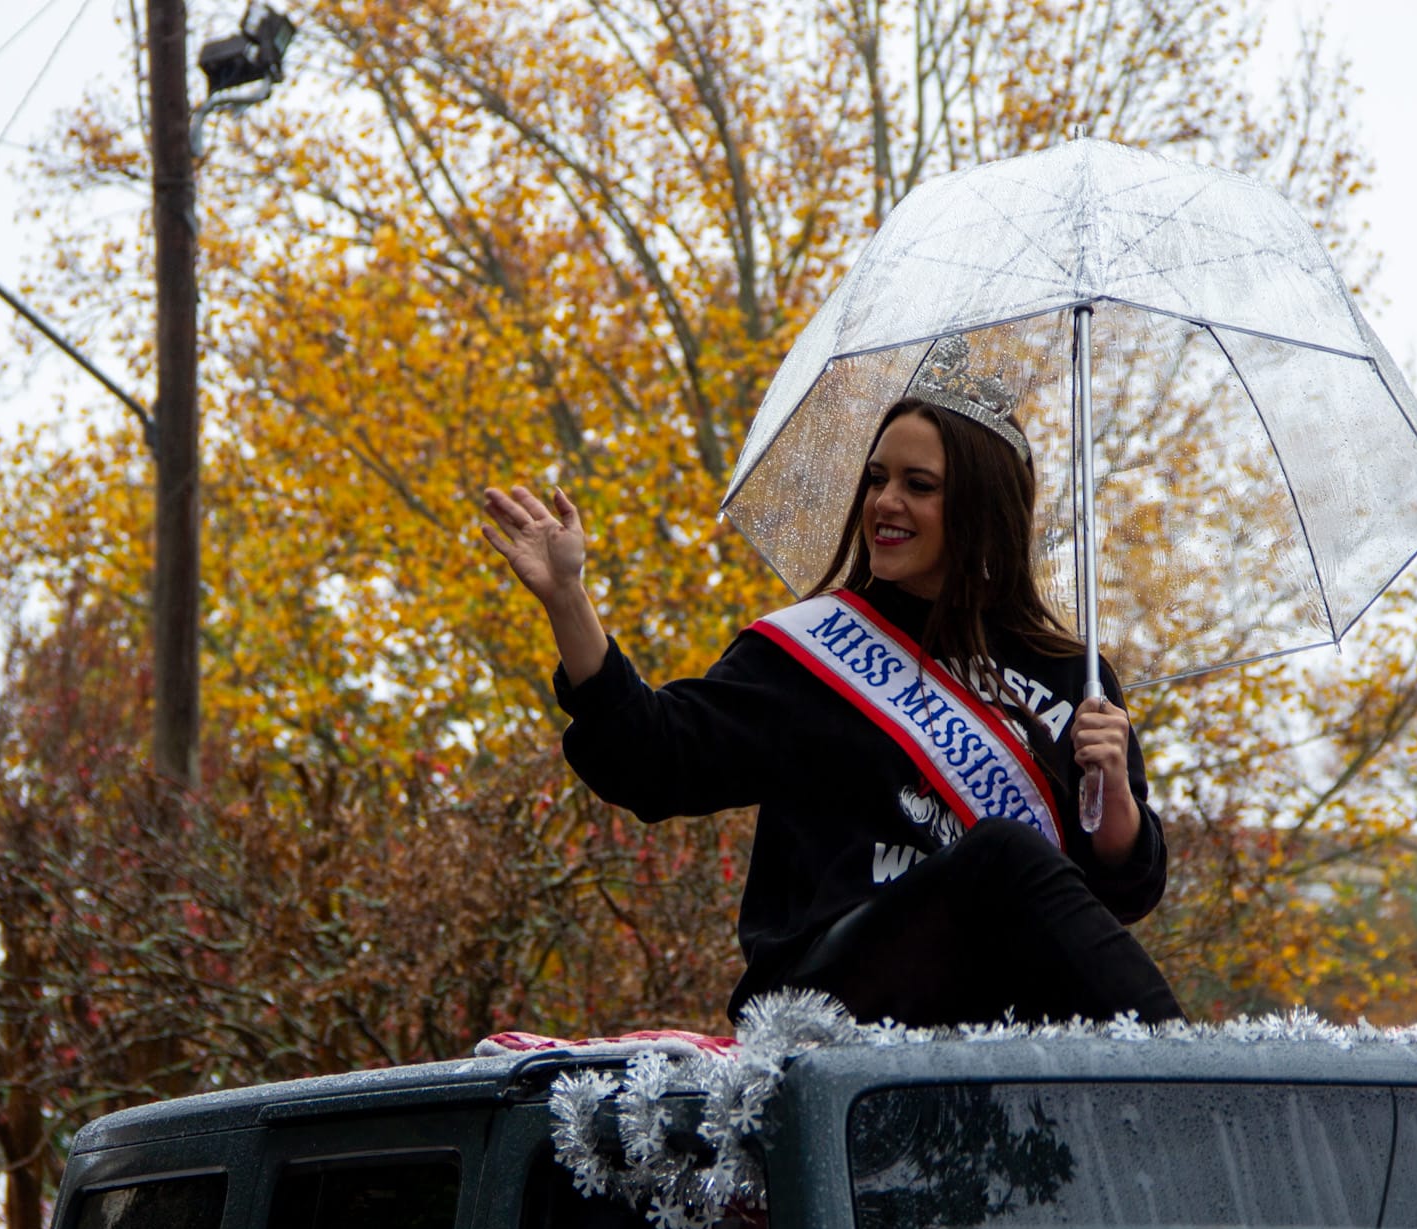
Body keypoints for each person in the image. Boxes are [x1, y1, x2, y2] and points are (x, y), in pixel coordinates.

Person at [481, 340, 1182, 1028]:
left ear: (982, 505)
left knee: (1013, 873)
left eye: (919, 484)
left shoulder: (1071, 676)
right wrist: (568, 599)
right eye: (877, 478)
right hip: (829, 993)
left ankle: (1196, 1090)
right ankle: (1197, 1079)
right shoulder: (816, 648)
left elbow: (1120, 892)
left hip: (996, 1008)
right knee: (1001, 853)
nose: (885, 501)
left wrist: (1115, 796)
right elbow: (653, 758)